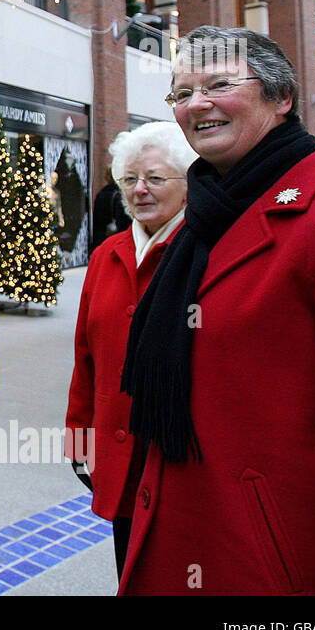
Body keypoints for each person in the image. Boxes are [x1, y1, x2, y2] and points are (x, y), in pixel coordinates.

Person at [118, 26, 315, 595]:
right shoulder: (200, 227)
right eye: (180, 92)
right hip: (178, 546)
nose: (196, 104)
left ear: (281, 97)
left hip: (274, 573)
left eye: (219, 83)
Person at [63, 121, 195, 581]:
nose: (140, 190)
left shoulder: (206, 250)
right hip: (119, 454)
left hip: (181, 459)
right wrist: (79, 440)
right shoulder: (106, 255)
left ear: (187, 182)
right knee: (130, 570)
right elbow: (85, 357)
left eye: (156, 179)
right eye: (130, 180)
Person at [89, 167, 130, 252]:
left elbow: (96, 219)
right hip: (116, 239)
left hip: (100, 239)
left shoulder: (101, 193)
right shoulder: (121, 196)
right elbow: (123, 221)